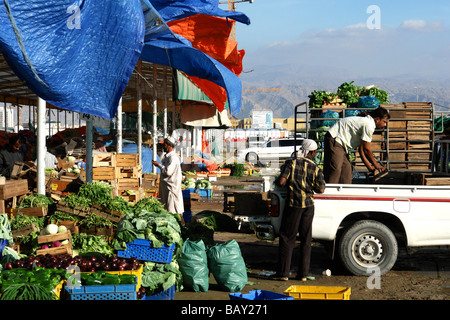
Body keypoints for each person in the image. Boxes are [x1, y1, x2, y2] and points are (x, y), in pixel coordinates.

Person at [273, 139, 326, 281]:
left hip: (293, 205)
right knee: (306, 239)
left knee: (287, 238)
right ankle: (303, 274)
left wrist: (278, 182)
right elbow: (321, 189)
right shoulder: (316, 168)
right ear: (312, 152)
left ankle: (283, 274)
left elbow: (282, 181)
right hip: (308, 206)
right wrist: (311, 187)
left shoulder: (291, 162)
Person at [323, 106, 390, 184]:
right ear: (377, 119)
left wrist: (370, 168)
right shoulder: (369, 124)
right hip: (335, 139)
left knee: (346, 171)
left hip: (341, 145)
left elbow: (361, 150)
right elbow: (366, 149)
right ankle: (329, 193)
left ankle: (345, 193)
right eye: (384, 122)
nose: (385, 125)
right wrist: (376, 164)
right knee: (335, 169)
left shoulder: (367, 123)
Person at [152, 136, 184, 221]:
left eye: (164, 144)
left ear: (169, 145)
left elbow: (168, 171)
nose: (163, 146)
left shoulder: (173, 158)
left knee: (173, 211)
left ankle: (180, 227)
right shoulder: (167, 157)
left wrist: (158, 165)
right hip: (166, 188)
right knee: (167, 210)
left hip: (171, 189)